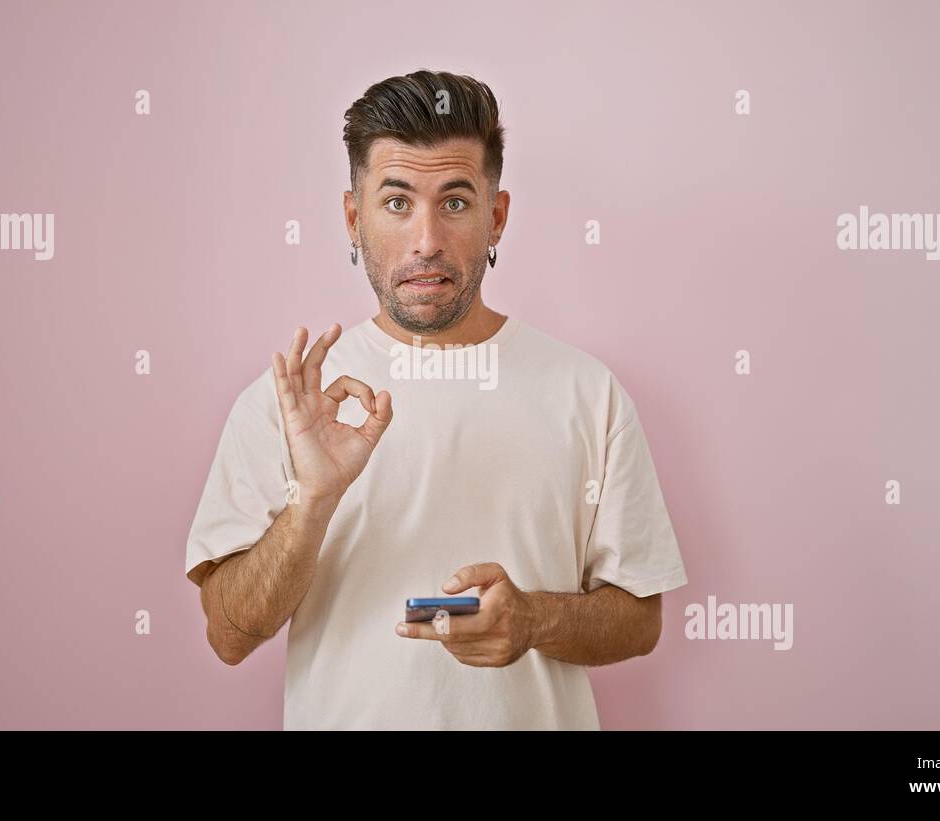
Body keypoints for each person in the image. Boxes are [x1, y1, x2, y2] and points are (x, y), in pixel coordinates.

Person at [185, 69, 688, 729]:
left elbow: (639, 620)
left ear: (496, 216)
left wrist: (534, 620)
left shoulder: (586, 392)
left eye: (454, 202)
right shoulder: (289, 402)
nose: (426, 240)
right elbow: (228, 634)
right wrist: (312, 503)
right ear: (352, 217)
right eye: (397, 202)